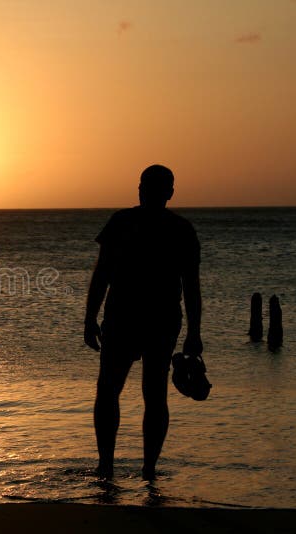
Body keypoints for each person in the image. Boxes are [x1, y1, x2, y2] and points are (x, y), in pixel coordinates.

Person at [83, 164, 203, 480]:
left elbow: (102, 274)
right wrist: (193, 331)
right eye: (143, 186)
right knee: (138, 392)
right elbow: (191, 286)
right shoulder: (177, 228)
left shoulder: (125, 222)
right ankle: (138, 469)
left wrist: (90, 317)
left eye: (146, 186)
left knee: (114, 390)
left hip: (136, 317)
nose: (142, 191)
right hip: (148, 318)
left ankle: (114, 467)